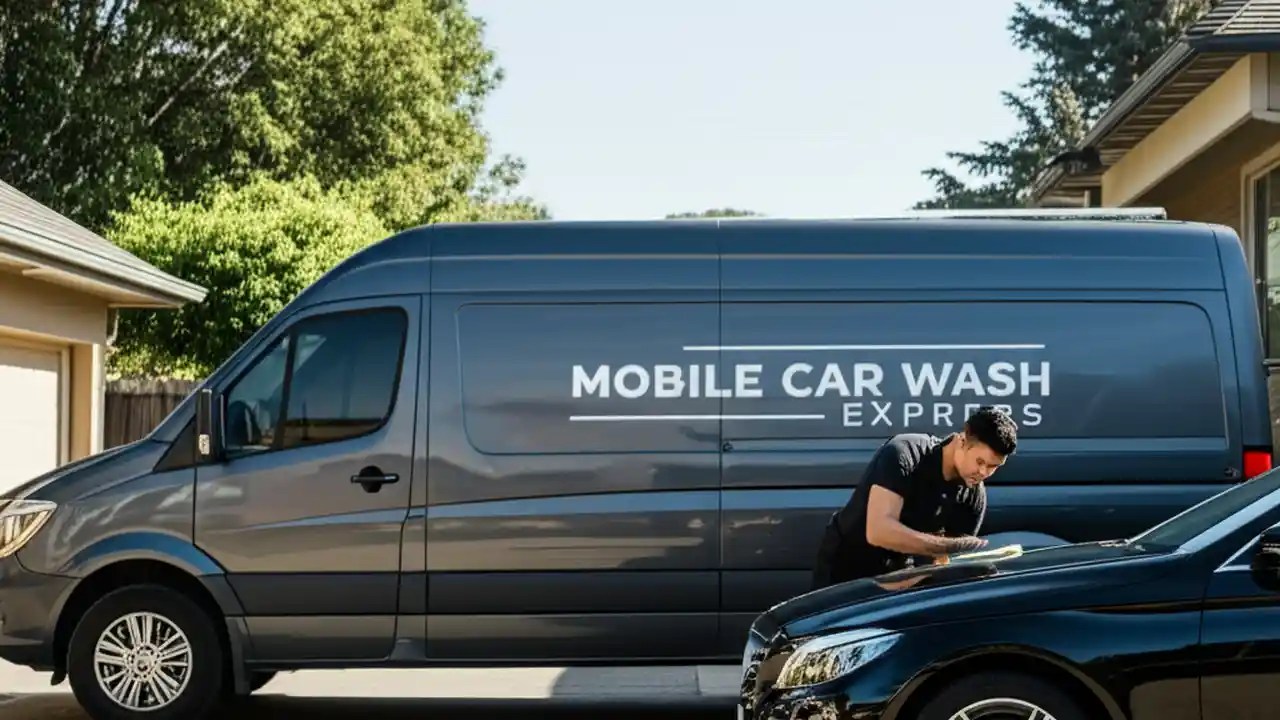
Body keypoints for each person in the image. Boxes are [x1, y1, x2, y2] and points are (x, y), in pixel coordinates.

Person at [810, 406, 1018, 589]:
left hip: (901, 575)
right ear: (962, 440)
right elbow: (879, 532)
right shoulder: (905, 453)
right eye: (979, 461)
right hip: (844, 567)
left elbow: (944, 563)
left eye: (993, 466)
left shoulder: (973, 494)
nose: (983, 472)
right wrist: (955, 546)